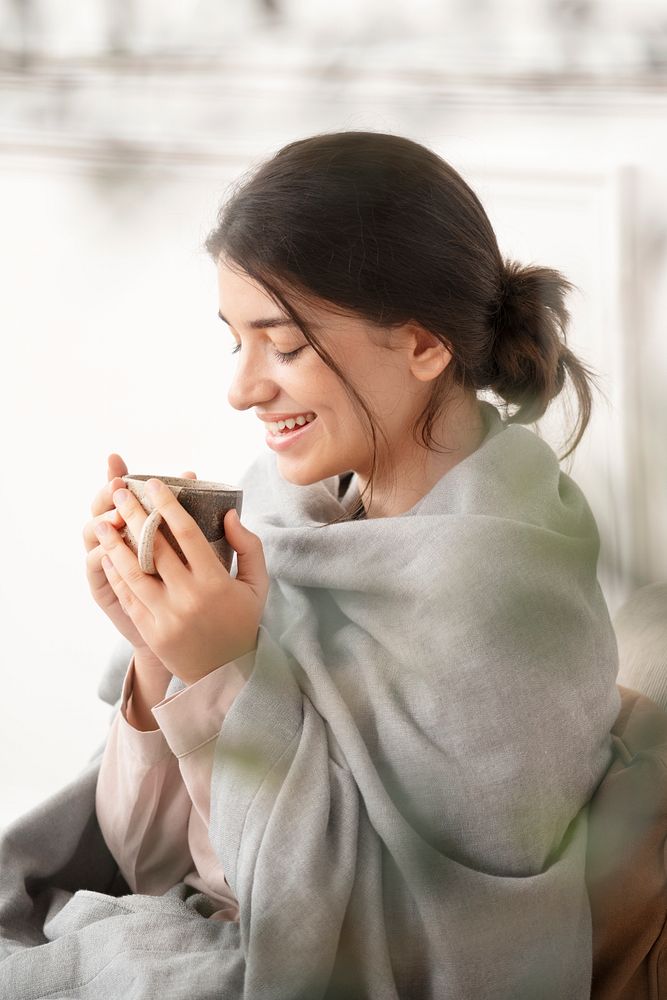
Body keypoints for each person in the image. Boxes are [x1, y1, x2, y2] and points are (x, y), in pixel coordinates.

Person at [0, 130, 621, 999]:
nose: (241, 388)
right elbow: (141, 862)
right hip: (186, 937)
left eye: (283, 346)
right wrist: (156, 649)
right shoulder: (284, 515)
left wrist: (223, 674)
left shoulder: (503, 602)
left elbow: (376, 952)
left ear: (423, 346)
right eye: (235, 342)